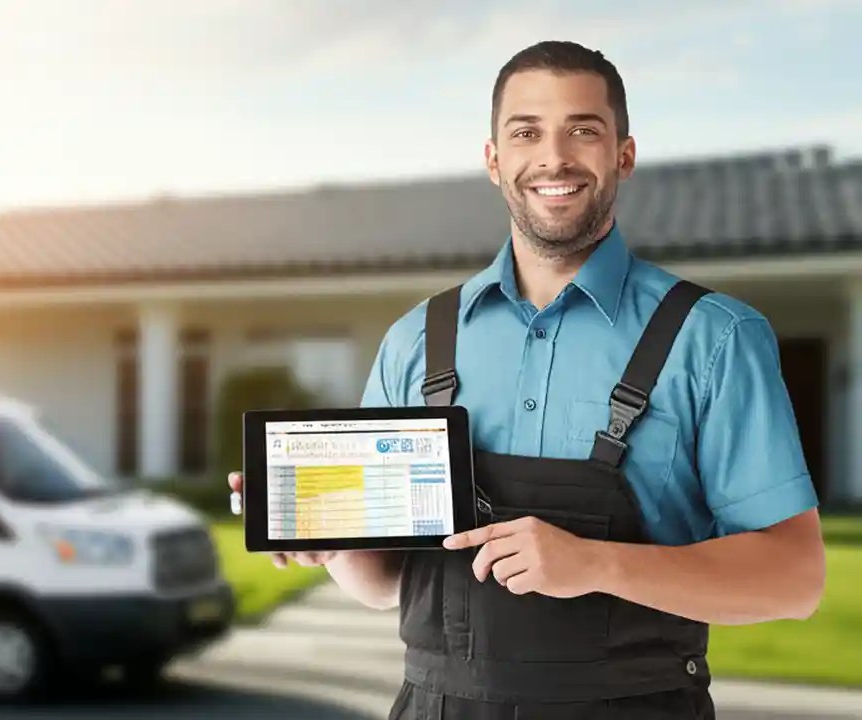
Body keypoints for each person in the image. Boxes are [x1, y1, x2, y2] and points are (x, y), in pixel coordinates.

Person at [226, 40, 825, 719]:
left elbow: (794, 579)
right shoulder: (417, 341)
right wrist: (327, 541)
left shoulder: (714, 338)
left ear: (623, 155)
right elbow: (387, 584)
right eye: (526, 132)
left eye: (583, 130)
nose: (554, 157)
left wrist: (595, 564)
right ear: (494, 161)